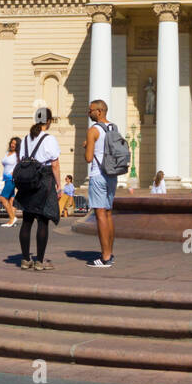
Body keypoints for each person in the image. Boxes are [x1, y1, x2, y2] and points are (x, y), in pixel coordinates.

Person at [15, 109, 62, 270]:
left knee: (26, 222)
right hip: (44, 181)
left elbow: (21, 159)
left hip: (27, 182)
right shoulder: (49, 139)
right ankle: (40, 261)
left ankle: (25, 259)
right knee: (43, 221)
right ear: (48, 121)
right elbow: (55, 164)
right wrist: (59, 185)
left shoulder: (25, 139)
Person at [84, 99, 120, 267]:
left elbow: (89, 158)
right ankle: (110, 252)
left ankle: (105, 257)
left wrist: (87, 146)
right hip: (112, 174)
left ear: (99, 111)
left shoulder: (93, 130)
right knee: (108, 214)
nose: (89, 113)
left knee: (100, 215)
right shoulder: (114, 127)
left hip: (98, 175)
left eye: (91, 110)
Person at [0, 137, 20, 228]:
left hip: (12, 178)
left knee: (3, 198)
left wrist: (15, 171)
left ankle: (12, 217)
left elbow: (21, 165)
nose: (12, 145)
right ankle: (11, 220)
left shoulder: (18, 155)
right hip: (6, 178)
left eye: (15, 144)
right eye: (12, 143)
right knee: (11, 199)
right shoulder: (8, 153)